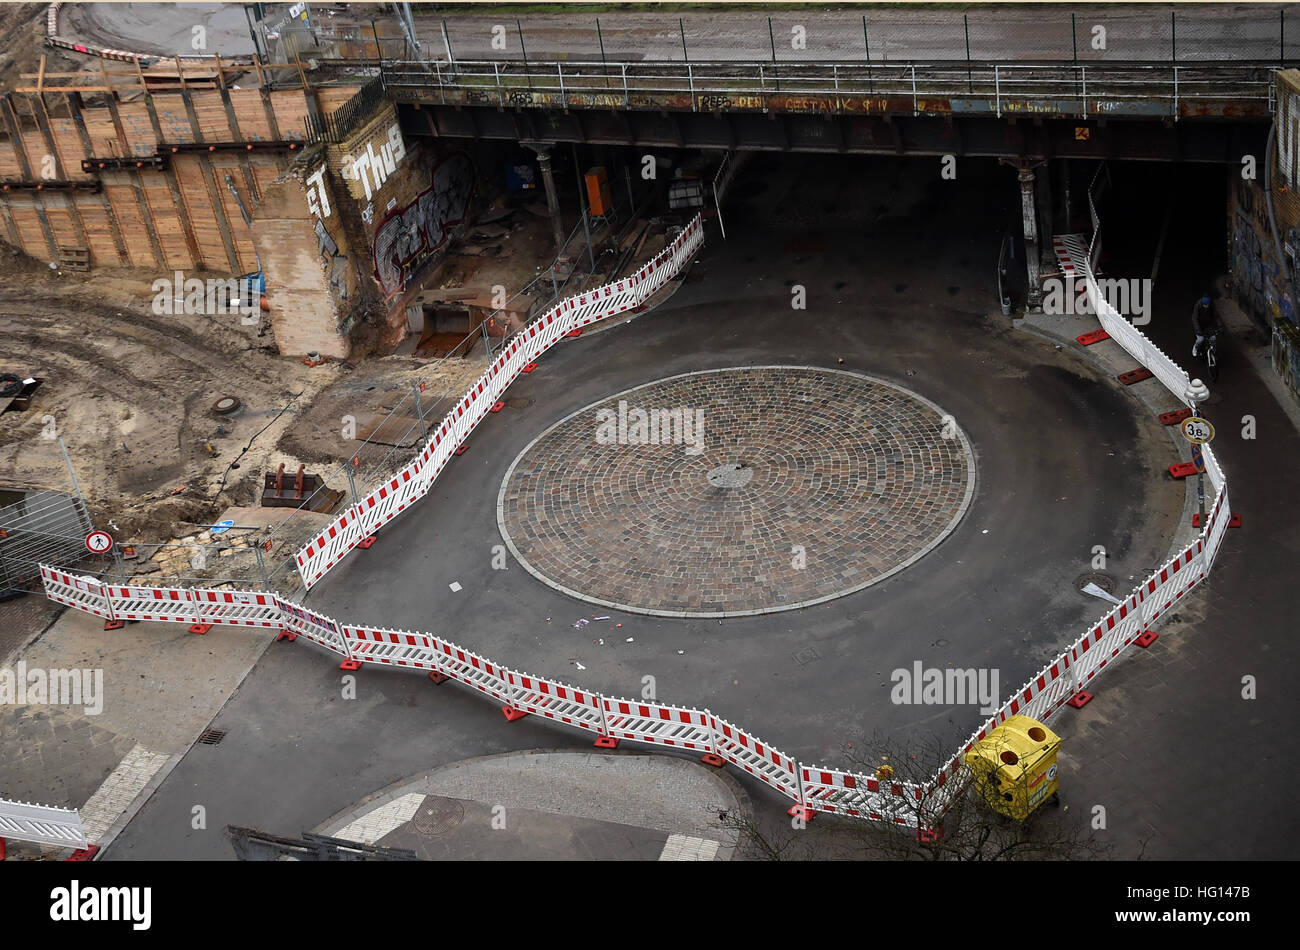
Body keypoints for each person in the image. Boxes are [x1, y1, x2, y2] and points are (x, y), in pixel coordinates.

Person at [1191, 294, 1221, 359]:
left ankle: (1213, 352)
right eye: (1204, 305)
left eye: (1207, 305)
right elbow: (1194, 319)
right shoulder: (1198, 305)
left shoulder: (1212, 306)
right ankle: (1195, 347)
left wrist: (1219, 326)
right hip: (1199, 325)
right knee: (1200, 339)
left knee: (1213, 338)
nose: (1206, 306)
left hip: (1208, 324)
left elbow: (1216, 316)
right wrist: (1198, 329)